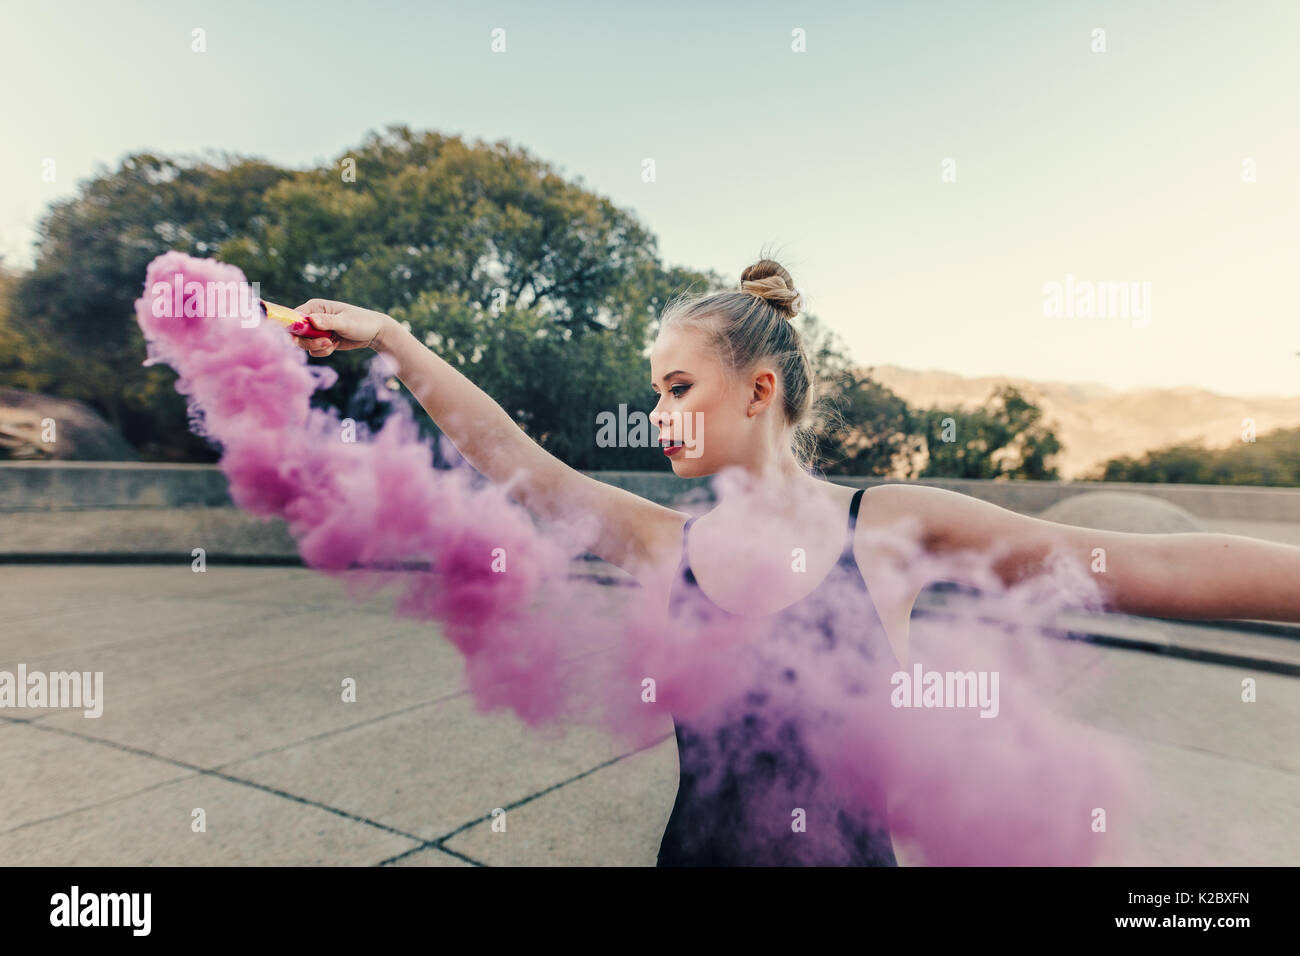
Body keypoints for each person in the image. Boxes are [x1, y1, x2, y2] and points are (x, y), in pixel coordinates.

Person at [290, 256, 1300, 866]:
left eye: (676, 383)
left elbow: (1142, 563)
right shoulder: (663, 540)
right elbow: (513, 459)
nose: (655, 412)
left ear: (759, 388)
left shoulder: (887, 524)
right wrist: (390, 338)